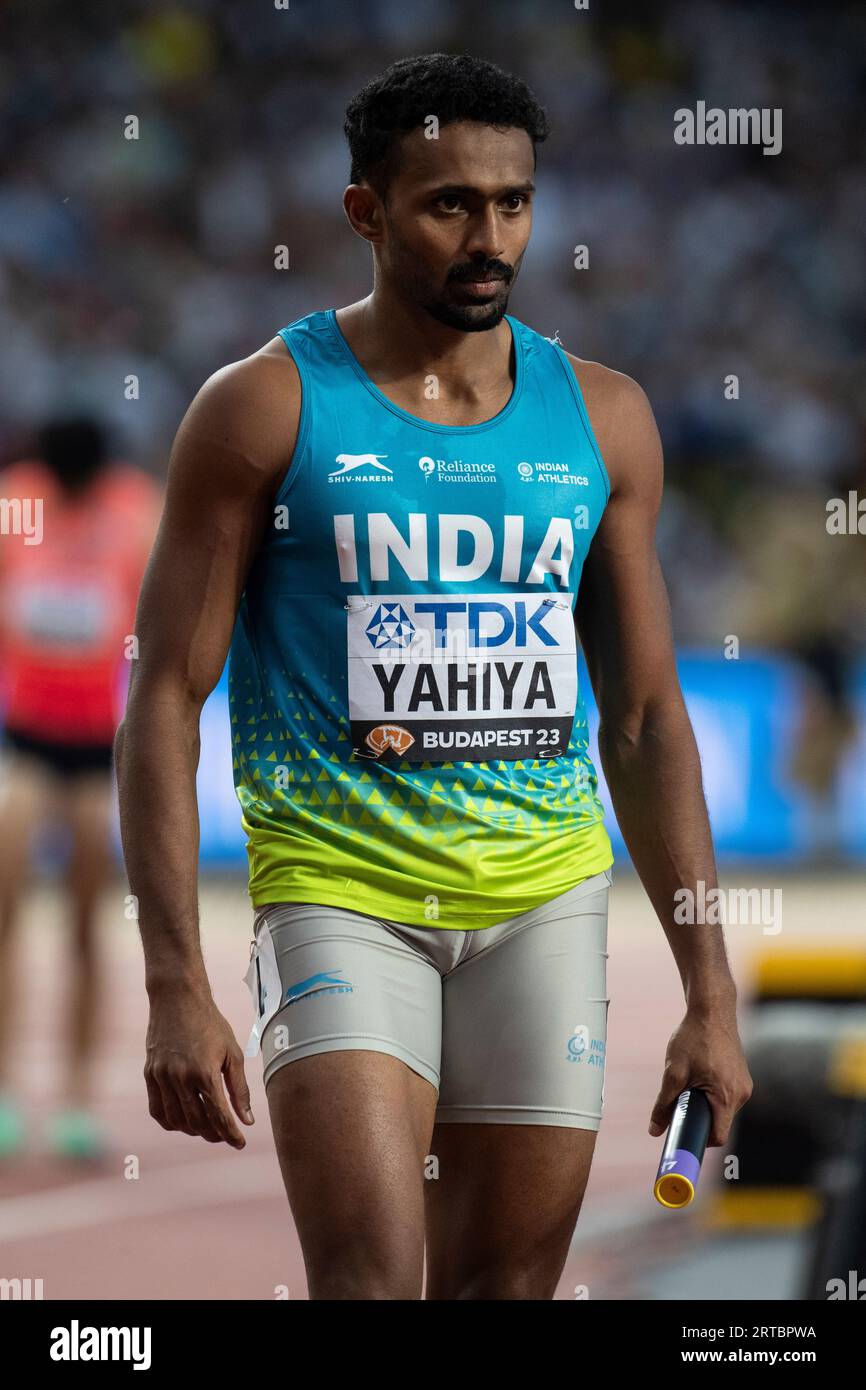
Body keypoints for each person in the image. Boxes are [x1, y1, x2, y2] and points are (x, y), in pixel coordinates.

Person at [115, 53, 752, 1299]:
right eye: (448, 203)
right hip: (339, 893)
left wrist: (708, 994)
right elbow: (162, 700)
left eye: (512, 203)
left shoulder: (603, 419)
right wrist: (175, 983)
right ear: (365, 211)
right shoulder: (261, 410)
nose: (489, 236)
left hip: (545, 899)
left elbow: (640, 716)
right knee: (366, 1286)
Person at [0, 416, 161, 1158]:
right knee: (5, 919)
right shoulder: (17, 501)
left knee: (85, 925)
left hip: (96, 749)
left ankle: (73, 1100)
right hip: (25, 744)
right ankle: (5, 1092)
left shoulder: (132, 509)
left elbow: (162, 620)